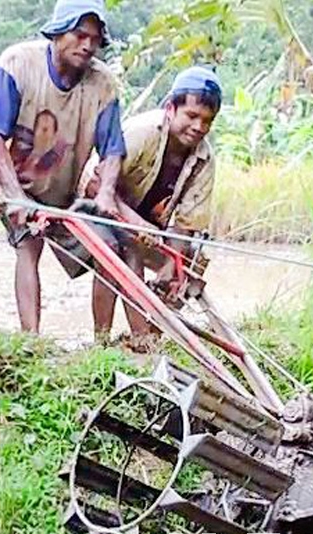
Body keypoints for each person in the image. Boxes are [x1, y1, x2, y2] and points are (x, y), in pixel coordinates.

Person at [0, 0, 126, 335]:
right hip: (9, 179)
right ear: (58, 33)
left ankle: (101, 344)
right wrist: (15, 197)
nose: (87, 46)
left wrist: (105, 194)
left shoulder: (103, 85)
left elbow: (113, 150)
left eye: (95, 39)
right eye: (79, 35)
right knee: (30, 242)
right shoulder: (17, 63)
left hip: (62, 190)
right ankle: (32, 341)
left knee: (109, 249)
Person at [83, 67, 222, 344]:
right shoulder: (142, 132)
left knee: (191, 263)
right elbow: (95, 184)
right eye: (191, 116)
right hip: (101, 209)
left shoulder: (204, 158)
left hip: (148, 225)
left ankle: (152, 337)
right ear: (171, 108)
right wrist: (134, 222)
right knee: (124, 248)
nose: (198, 127)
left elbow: (188, 222)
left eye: (207, 121)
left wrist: (175, 261)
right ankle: (103, 342)